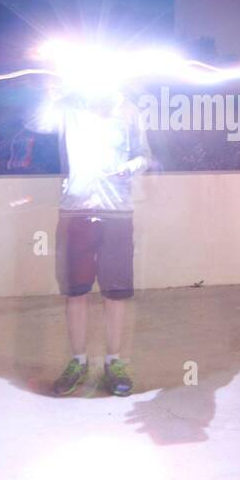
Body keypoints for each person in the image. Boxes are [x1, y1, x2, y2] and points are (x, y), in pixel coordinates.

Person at [28, 80, 152, 397]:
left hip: (118, 211)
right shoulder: (68, 107)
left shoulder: (129, 110)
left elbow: (144, 155)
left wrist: (131, 166)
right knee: (75, 290)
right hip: (76, 210)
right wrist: (49, 88)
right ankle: (78, 362)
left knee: (116, 291)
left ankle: (115, 363)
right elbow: (35, 122)